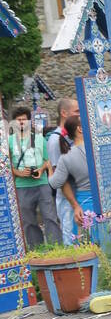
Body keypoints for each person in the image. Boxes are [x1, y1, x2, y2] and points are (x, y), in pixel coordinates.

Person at [8, 105, 61, 248]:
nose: (21, 122)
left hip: (41, 183)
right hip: (22, 186)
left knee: (50, 217)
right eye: (18, 120)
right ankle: (36, 250)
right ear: (13, 122)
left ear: (29, 121)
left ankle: (56, 249)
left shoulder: (39, 138)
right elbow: (6, 165)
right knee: (29, 221)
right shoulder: (9, 142)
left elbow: (48, 160)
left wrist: (41, 169)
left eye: (24, 120)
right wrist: (19, 172)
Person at [47, 113, 94, 234]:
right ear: (80, 129)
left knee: (88, 243)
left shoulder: (66, 157)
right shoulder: (96, 147)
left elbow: (55, 183)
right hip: (106, 198)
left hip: (85, 202)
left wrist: (49, 168)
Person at [46, 96, 78, 243]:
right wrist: (73, 203)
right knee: (70, 235)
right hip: (67, 197)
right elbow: (60, 177)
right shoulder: (55, 140)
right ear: (64, 113)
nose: (79, 114)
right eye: (76, 111)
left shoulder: (76, 135)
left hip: (79, 192)